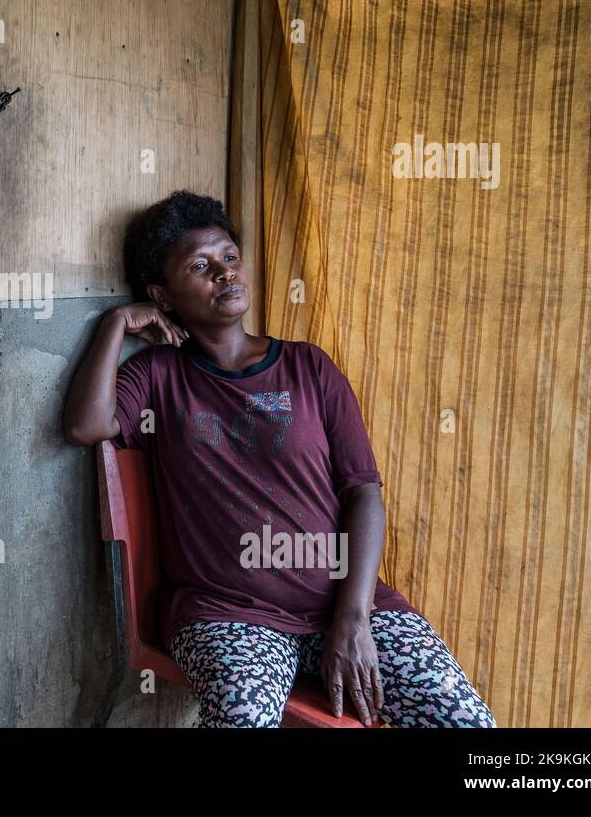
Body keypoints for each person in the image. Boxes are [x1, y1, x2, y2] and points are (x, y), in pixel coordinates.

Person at [62, 190, 496, 728]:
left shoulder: (309, 368)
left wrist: (354, 619)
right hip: (229, 615)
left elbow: (363, 492)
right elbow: (86, 425)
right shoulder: (158, 377)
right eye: (200, 266)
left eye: (229, 258)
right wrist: (117, 323)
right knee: (243, 719)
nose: (224, 273)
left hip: (345, 606)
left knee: (467, 723)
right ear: (163, 295)